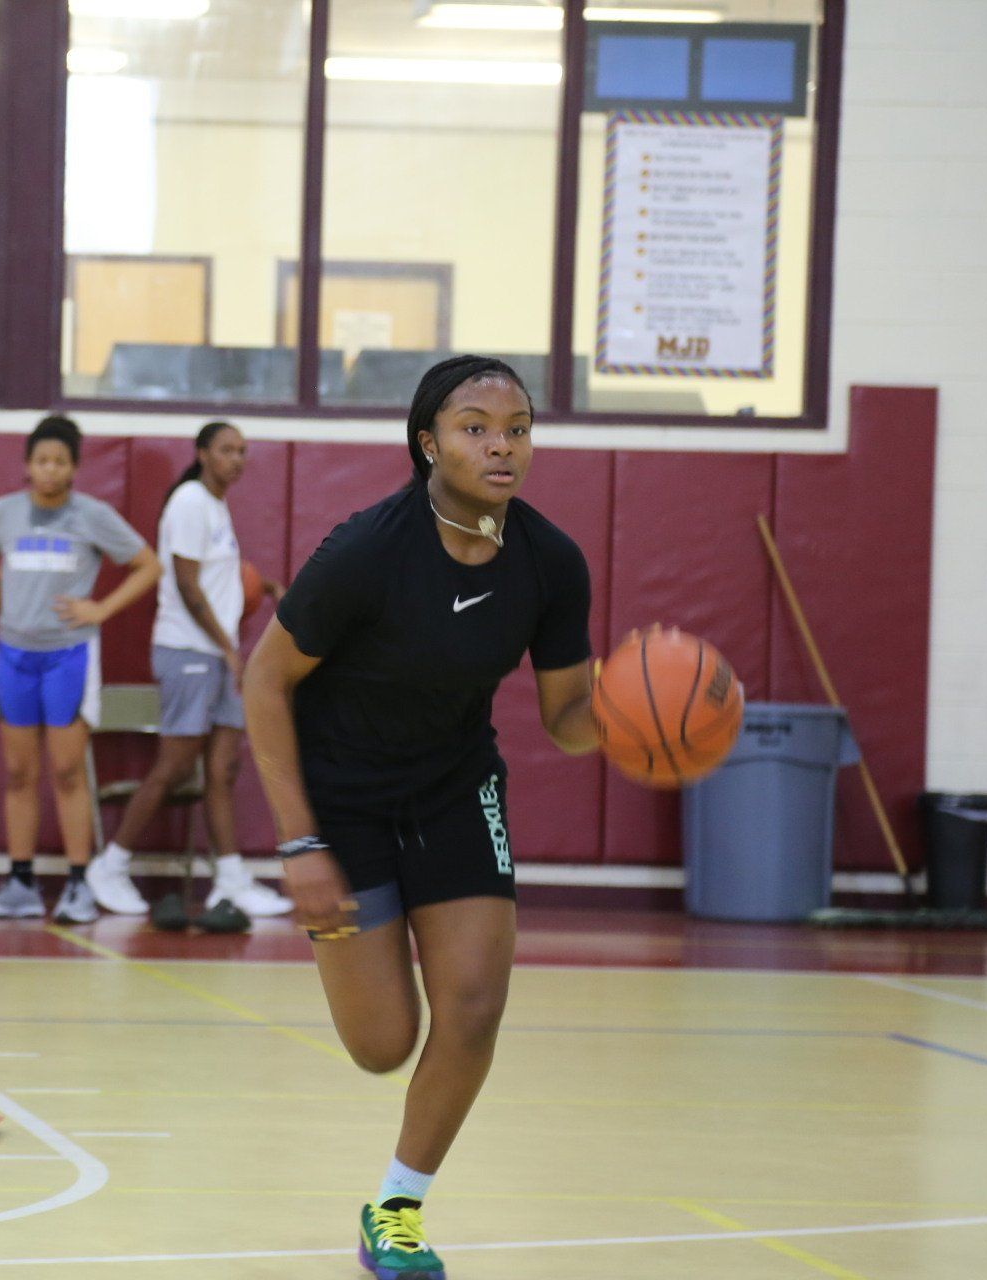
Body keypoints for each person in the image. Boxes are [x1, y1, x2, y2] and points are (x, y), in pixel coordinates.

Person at [243, 356, 596, 1279]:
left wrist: (649, 724)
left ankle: (396, 1208)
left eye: (517, 426)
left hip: (452, 785)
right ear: (427, 441)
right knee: (382, 1045)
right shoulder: (367, 549)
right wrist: (299, 841)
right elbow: (264, 680)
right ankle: (364, 934)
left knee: (475, 1007)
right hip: (342, 797)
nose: (501, 444)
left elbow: (568, 720)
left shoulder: (551, 561)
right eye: (476, 425)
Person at [0, 416, 159, 924]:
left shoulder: (93, 516)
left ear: (74, 467)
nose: (50, 469)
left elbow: (150, 564)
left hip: (69, 653)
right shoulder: (4, 513)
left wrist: (101, 609)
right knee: (18, 773)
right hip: (14, 654)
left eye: (59, 460)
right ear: (27, 466)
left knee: (67, 771)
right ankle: (20, 884)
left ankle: (79, 884)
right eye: (41, 460)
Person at [86, 422, 291, 922]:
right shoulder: (189, 503)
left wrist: (264, 585)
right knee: (176, 766)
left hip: (218, 655)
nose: (237, 459)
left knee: (222, 770)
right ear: (203, 454)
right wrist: (227, 647)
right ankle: (110, 865)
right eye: (226, 450)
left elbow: (221, 578)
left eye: (243, 451)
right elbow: (186, 584)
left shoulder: (215, 506)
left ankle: (230, 878)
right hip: (189, 652)